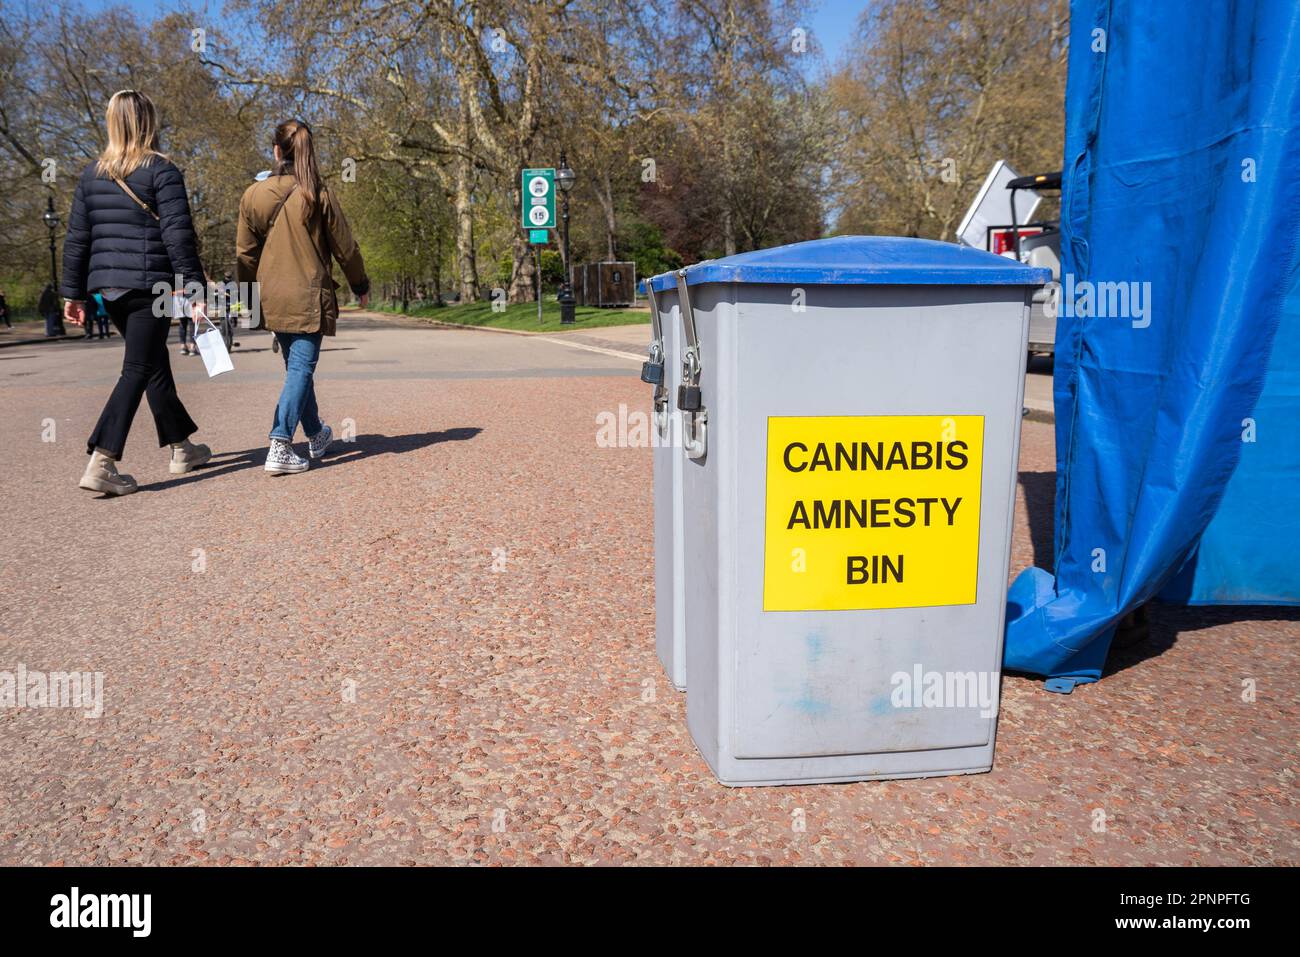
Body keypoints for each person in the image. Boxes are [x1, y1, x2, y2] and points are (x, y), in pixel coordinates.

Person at [61, 89, 213, 496]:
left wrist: (73, 294)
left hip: (108, 289)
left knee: (152, 362)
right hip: (151, 286)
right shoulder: (162, 170)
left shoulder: (91, 174)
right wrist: (194, 285)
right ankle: (103, 460)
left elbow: (77, 239)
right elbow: (177, 233)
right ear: (150, 122)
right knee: (138, 368)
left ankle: (183, 447)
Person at [236, 119, 368, 474]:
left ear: (276, 151)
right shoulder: (318, 193)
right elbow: (346, 248)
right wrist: (360, 284)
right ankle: (279, 443)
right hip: (308, 293)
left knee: (298, 369)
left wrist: (248, 300)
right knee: (300, 368)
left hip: (271, 295)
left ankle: (316, 432)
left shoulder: (252, 196)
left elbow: (245, 256)